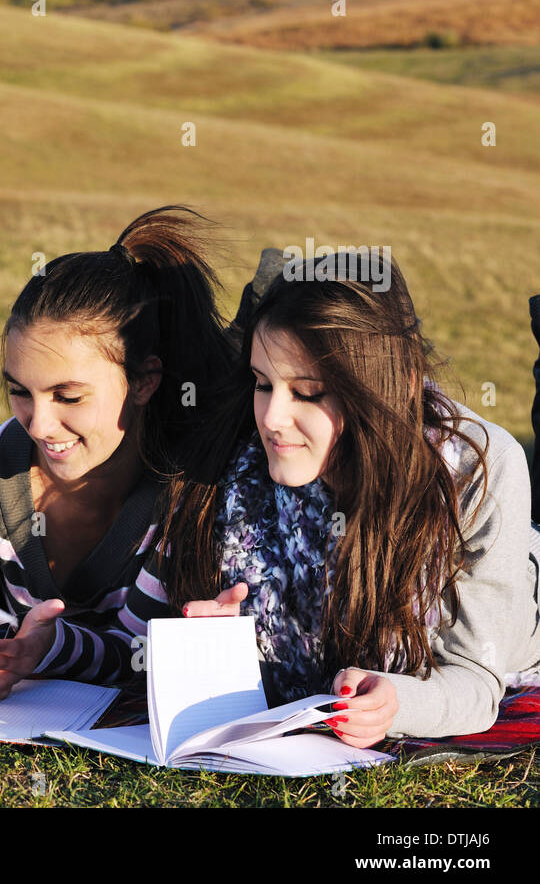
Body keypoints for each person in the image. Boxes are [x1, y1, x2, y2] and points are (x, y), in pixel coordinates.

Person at [156, 249, 540, 745]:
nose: (271, 417)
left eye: (308, 392)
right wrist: (223, 647)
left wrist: (397, 703)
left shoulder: (475, 470)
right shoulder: (239, 468)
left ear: (378, 389)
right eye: (262, 383)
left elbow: (476, 676)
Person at [0, 205, 236, 701]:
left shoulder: (186, 494)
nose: (41, 426)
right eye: (20, 392)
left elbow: (143, 657)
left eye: (68, 396)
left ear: (144, 381)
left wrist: (50, 649)